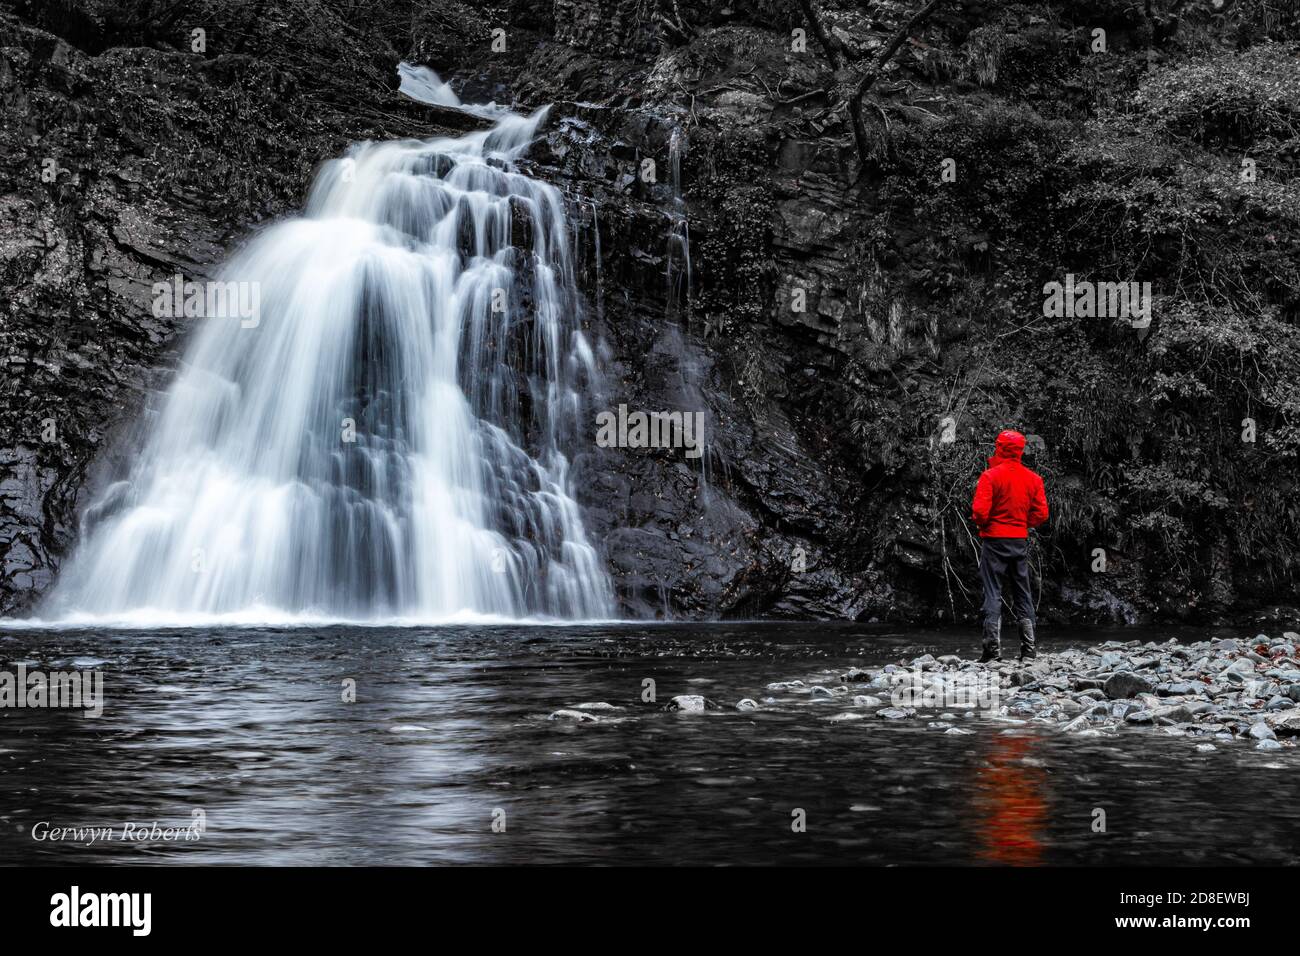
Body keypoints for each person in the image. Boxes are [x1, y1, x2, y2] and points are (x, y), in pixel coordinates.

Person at [970, 430, 1049, 662]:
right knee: (1022, 593)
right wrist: (1022, 523)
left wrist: (988, 525)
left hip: (994, 541)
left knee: (993, 592)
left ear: (1000, 448)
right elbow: (1041, 514)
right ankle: (1029, 652)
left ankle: (992, 653)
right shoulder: (1033, 479)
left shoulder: (990, 476)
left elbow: (979, 512)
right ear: (1021, 451)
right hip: (1018, 540)